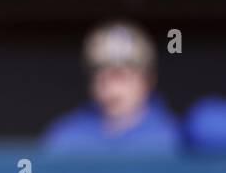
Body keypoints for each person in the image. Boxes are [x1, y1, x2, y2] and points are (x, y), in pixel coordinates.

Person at [42, 21, 180, 153]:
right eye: (102, 77)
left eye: (121, 76)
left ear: (148, 80)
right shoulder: (67, 137)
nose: (112, 88)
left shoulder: (173, 137)